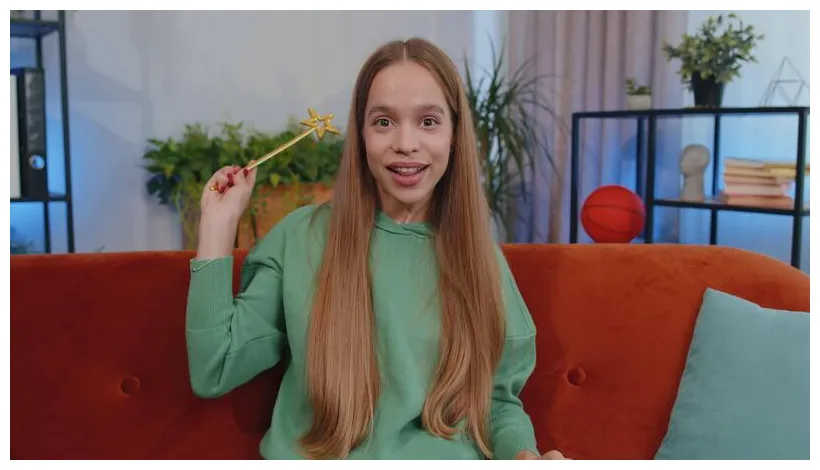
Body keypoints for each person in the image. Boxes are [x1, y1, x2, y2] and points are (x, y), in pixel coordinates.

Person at [186, 37, 567, 461]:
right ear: (361, 134)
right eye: (384, 122)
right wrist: (217, 228)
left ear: (455, 135)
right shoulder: (300, 239)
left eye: (428, 121)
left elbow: (496, 403)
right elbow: (213, 369)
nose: (406, 143)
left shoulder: (481, 258)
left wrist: (525, 455)